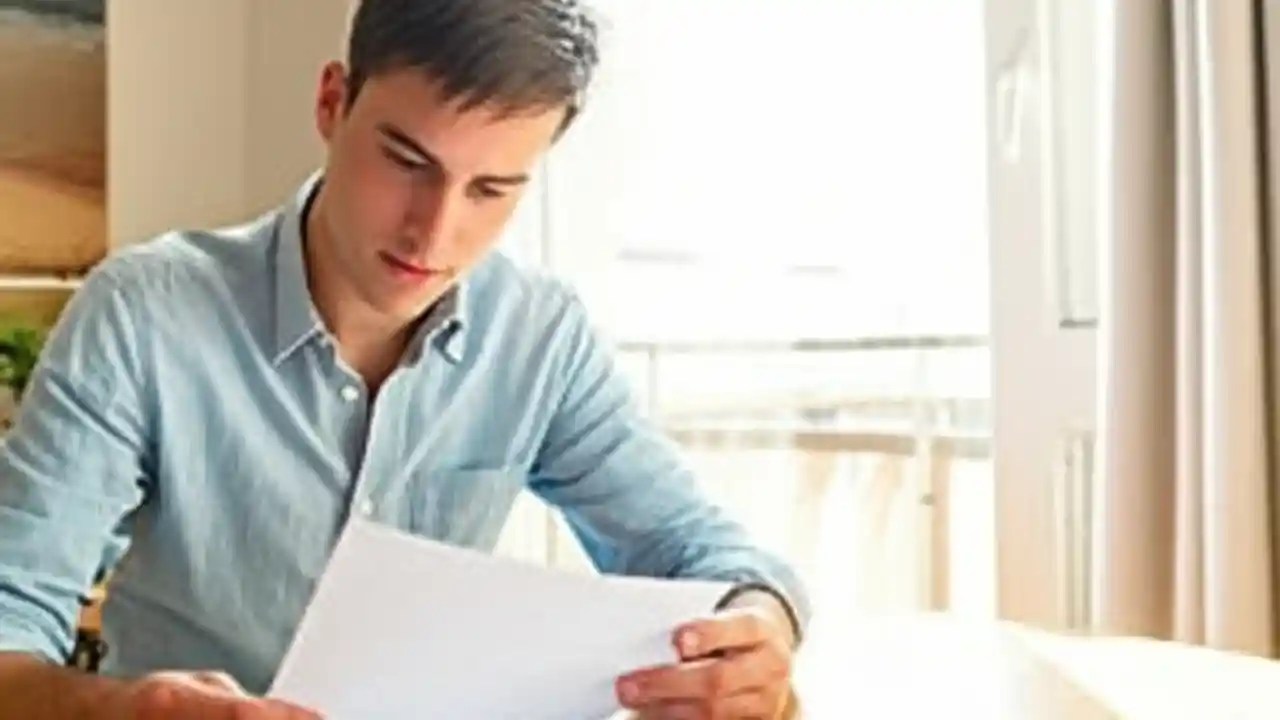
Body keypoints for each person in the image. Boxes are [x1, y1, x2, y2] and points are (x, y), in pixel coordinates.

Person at [0, 1, 809, 718]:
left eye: (491, 190)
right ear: (332, 102)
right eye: (407, 162)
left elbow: (705, 553)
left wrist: (758, 626)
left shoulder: (539, 337)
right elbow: (10, 624)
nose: (435, 232)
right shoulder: (145, 312)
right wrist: (125, 712)